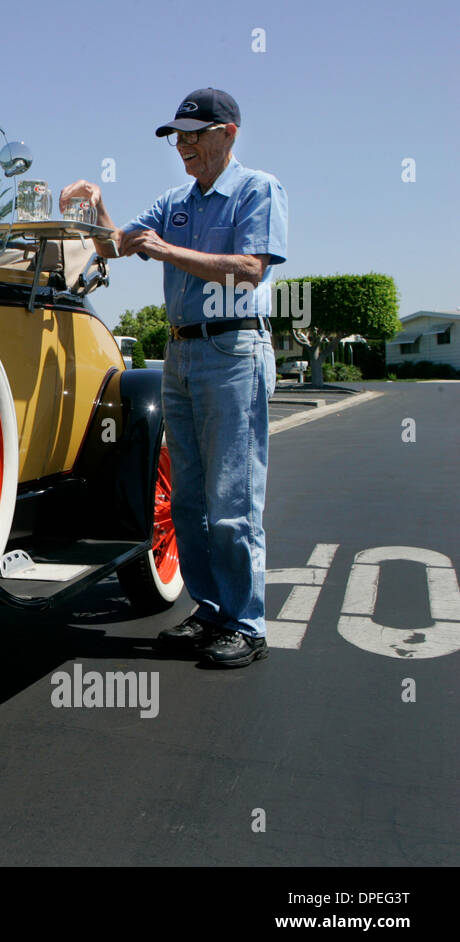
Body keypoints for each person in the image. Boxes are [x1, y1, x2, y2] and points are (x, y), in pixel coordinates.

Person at [61, 88, 288, 667]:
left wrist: (164, 249)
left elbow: (249, 270)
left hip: (234, 351)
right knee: (187, 499)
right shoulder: (175, 200)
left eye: (193, 134)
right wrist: (96, 211)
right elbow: (115, 247)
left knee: (232, 499)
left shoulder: (257, 190)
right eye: (177, 136)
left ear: (227, 133)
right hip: (182, 353)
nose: (182, 145)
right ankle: (210, 610)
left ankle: (247, 624)